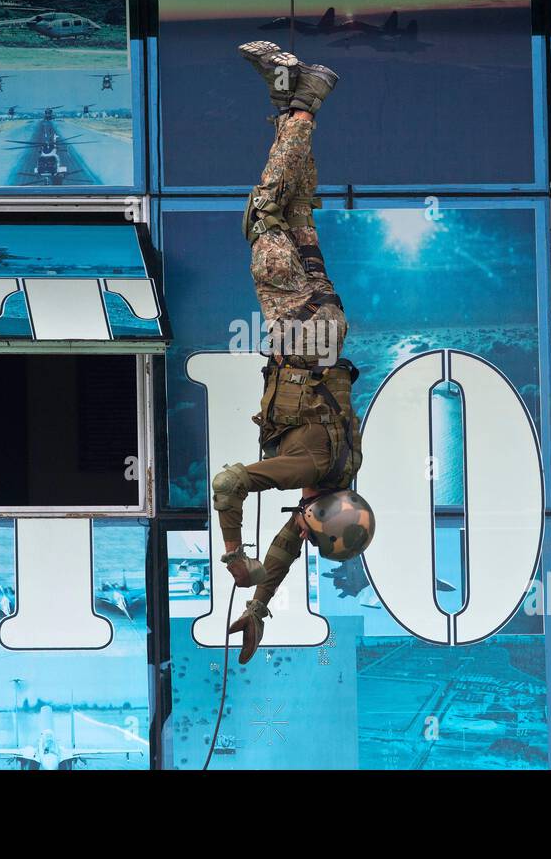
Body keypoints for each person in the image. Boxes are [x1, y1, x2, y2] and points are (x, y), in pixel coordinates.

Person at [210, 42, 358, 664]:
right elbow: (229, 483)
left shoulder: (337, 477)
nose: (298, 527)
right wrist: (234, 556)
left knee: (295, 209)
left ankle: (290, 88)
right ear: (317, 512)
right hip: (300, 334)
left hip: (325, 326)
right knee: (264, 216)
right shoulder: (307, 471)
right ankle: (303, 105)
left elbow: (289, 546)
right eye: (307, 526)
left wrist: (258, 604)